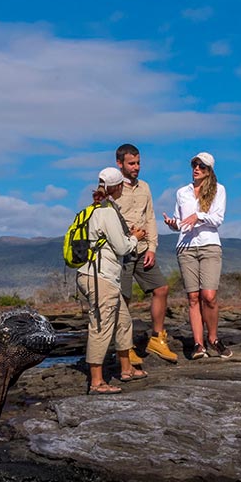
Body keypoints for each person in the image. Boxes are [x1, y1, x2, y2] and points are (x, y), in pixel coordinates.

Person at [78, 167, 148, 394]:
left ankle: (126, 369)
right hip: (101, 277)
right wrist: (135, 238)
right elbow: (121, 247)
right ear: (117, 187)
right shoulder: (107, 212)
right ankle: (97, 382)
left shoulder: (95, 208)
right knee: (101, 326)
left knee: (123, 320)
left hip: (97, 275)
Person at [113, 143, 178, 364]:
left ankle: (157, 340)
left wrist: (152, 247)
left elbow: (150, 218)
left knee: (161, 288)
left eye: (139, 163)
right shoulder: (111, 187)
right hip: (120, 252)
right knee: (123, 298)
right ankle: (125, 347)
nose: (137, 167)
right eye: (132, 163)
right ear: (119, 163)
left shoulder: (145, 187)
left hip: (142, 250)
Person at [163, 152, 232, 360]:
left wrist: (198, 216)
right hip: (185, 247)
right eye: (194, 164)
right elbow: (180, 221)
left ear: (209, 170)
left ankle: (213, 338)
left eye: (201, 166)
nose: (196, 169)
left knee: (208, 296)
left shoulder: (219, 190)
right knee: (193, 297)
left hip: (209, 245)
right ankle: (198, 345)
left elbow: (217, 219)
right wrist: (174, 223)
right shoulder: (181, 192)